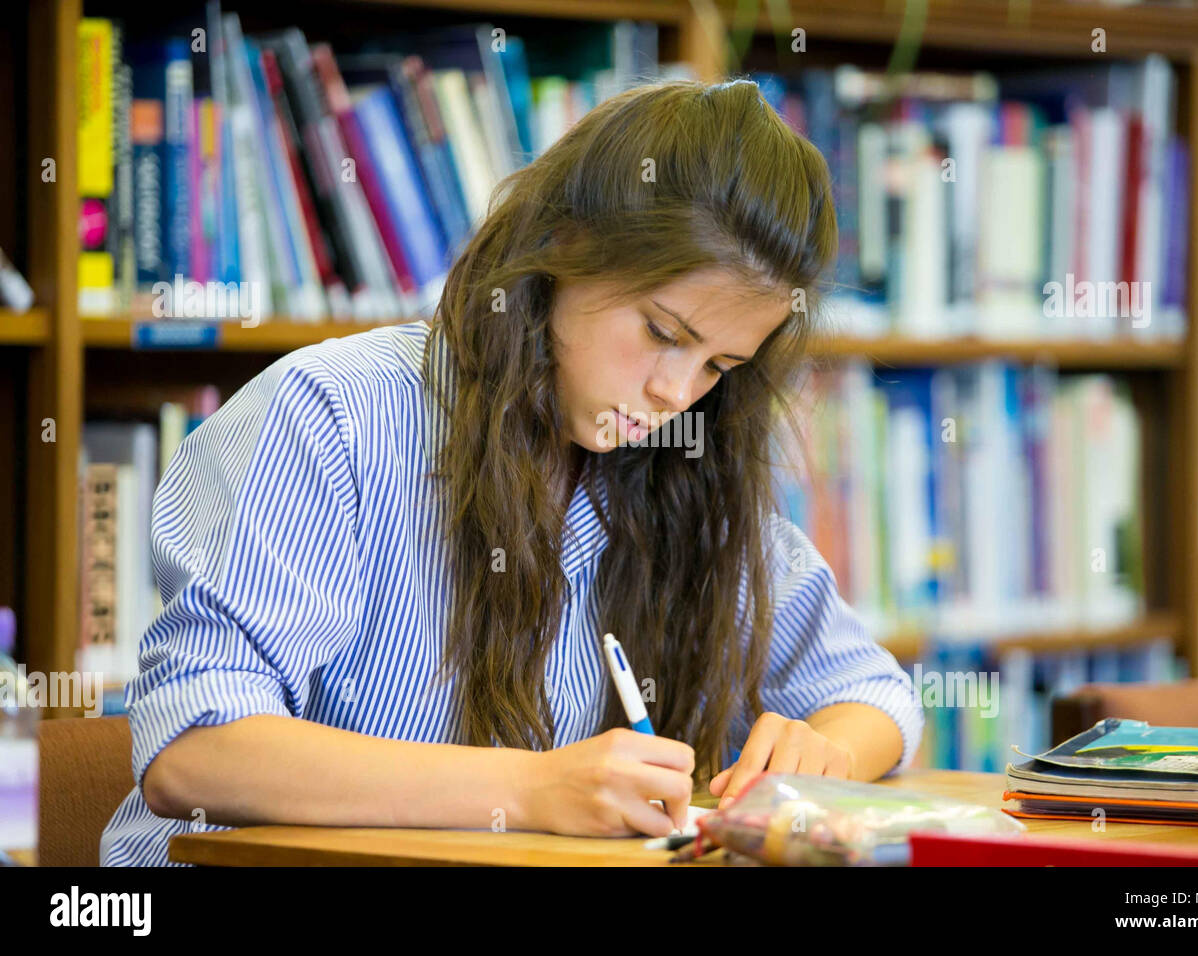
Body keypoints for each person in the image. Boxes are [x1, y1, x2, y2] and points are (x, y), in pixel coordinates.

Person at [101, 79, 923, 865]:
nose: (676, 391)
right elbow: (195, 755)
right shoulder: (335, 418)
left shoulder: (677, 469)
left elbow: (876, 696)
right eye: (663, 331)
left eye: (720, 364)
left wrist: (822, 756)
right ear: (565, 248)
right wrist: (530, 789)